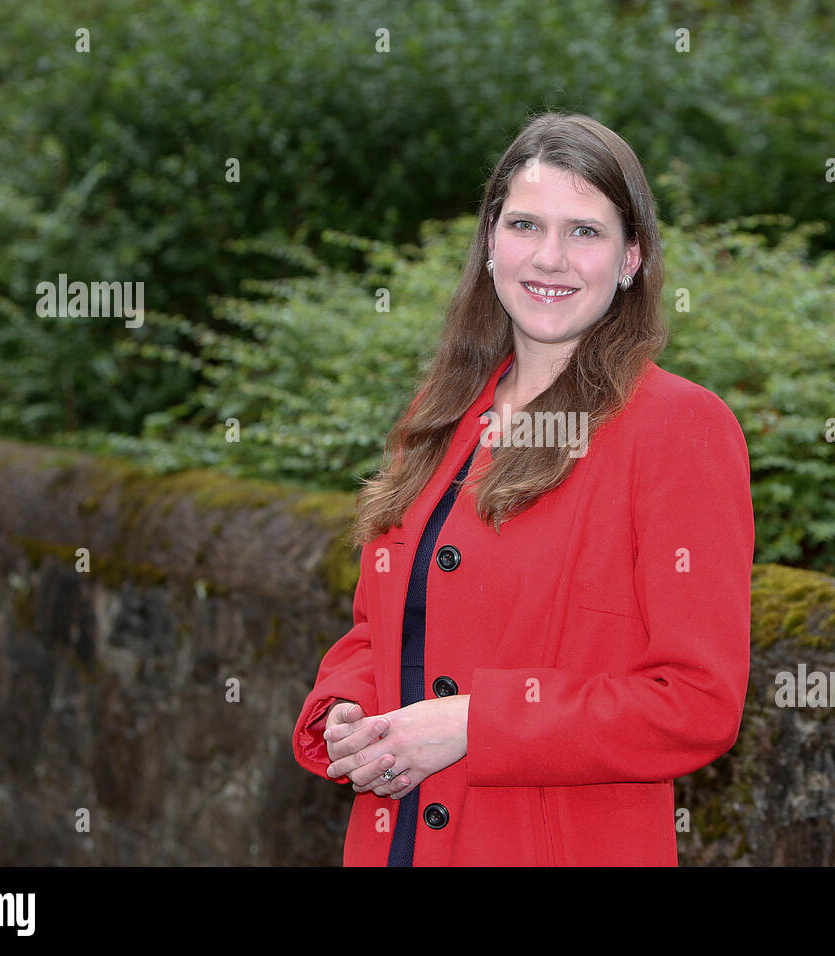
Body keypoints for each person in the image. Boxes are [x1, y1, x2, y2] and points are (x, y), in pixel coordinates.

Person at [293, 110, 754, 866]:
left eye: (585, 232)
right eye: (525, 225)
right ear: (489, 242)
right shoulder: (440, 413)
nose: (549, 258)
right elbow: (384, 627)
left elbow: (696, 703)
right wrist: (348, 707)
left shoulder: (678, 428)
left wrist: (477, 725)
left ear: (631, 257)